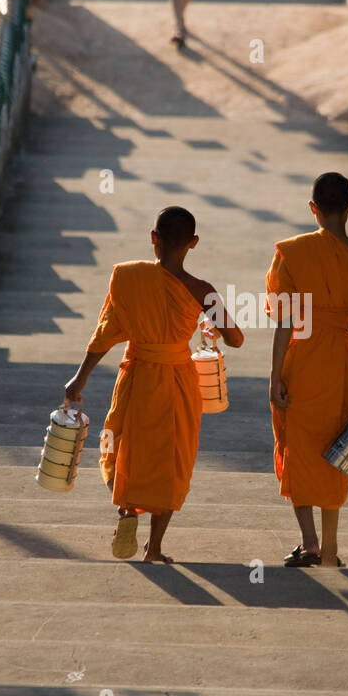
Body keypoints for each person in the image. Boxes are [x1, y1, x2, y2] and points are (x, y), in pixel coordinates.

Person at [64, 207, 244, 564]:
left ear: (153, 238)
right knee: (171, 459)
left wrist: (79, 377)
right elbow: (236, 339)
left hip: (138, 375)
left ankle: (127, 509)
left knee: (123, 446)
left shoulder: (129, 279)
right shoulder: (201, 290)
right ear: (193, 243)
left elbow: (106, 333)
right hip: (178, 379)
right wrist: (210, 327)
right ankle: (155, 548)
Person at [266, 172, 348, 568]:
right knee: (336, 451)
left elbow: (284, 321)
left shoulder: (293, 252)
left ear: (313, 209)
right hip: (340, 363)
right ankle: (330, 548)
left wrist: (274, 377)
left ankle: (309, 543)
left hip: (300, 359)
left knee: (297, 447)